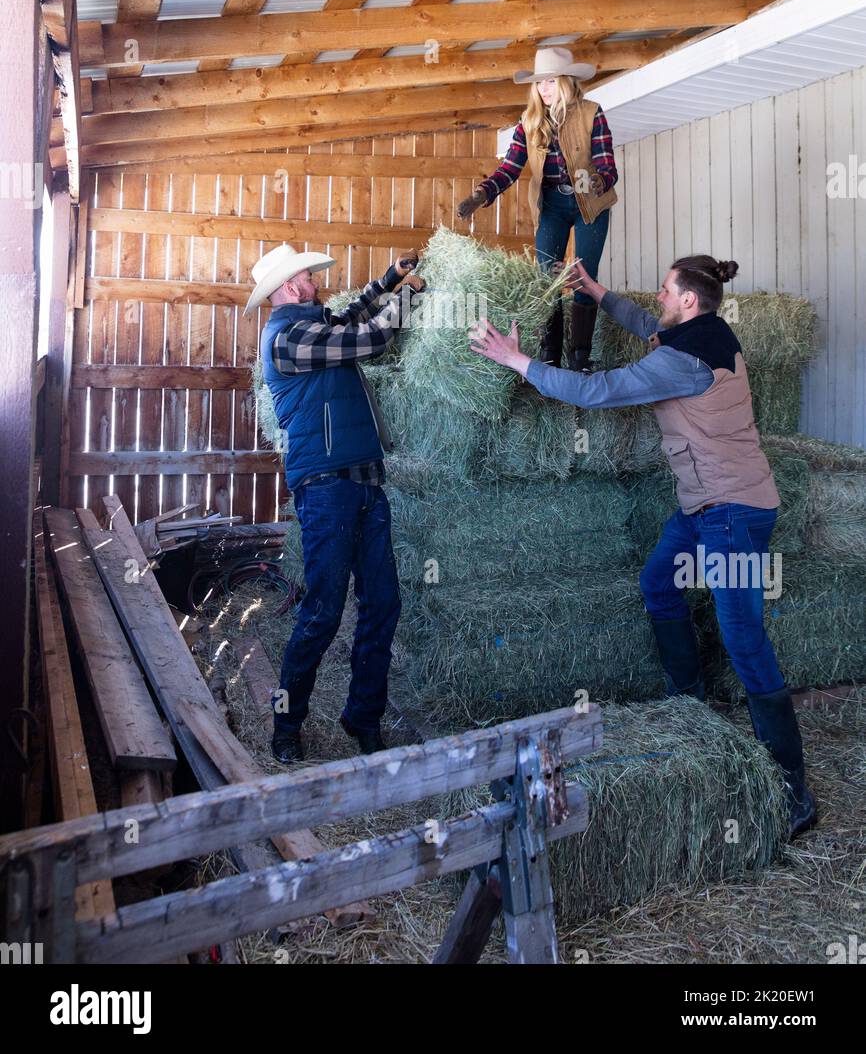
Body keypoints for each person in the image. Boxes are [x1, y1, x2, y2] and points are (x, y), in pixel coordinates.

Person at [468, 253, 817, 839]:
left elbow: (598, 390)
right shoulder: (701, 333)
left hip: (731, 511)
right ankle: (691, 704)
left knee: (745, 642)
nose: (658, 297)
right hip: (705, 506)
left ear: (688, 299)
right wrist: (597, 292)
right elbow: (641, 325)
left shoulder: (684, 360)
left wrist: (516, 359)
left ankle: (793, 790)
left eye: (664, 290)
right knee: (659, 583)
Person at [245, 242, 425, 763]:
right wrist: (406, 300)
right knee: (323, 612)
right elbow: (367, 340)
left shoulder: (311, 325)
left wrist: (388, 279)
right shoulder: (286, 338)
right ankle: (287, 723)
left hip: (364, 479)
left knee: (383, 605)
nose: (313, 279)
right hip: (325, 487)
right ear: (288, 288)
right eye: (305, 274)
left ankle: (362, 717)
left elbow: (348, 317)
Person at [456, 44, 618, 370]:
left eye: (550, 81)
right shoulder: (529, 122)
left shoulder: (591, 113)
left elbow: (606, 163)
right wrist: (481, 194)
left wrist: (600, 180)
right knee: (547, 280)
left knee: (584, 277)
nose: (543, 89)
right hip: (552, 204)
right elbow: (510, 169)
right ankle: (549, 356)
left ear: (567, 82)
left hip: (590, 199)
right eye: (539, 83)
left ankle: (580, 358)